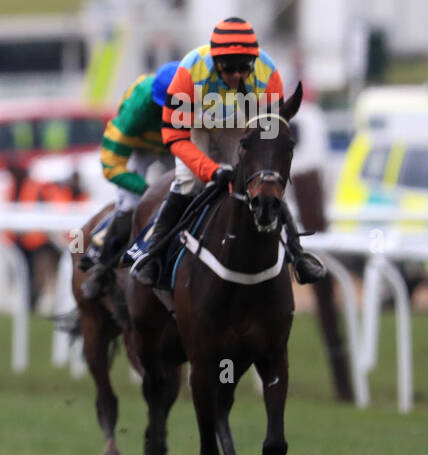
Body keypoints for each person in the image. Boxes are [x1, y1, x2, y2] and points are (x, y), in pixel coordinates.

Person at [131, 17, 326, 286]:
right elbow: (174, 135)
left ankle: (298, 255)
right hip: (197, 127)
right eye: (229, 68)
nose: (237, 75)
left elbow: (270, 134)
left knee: (263, 182)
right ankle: (153, 254)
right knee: (188, 182)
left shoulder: (268, 74)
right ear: (215, 62)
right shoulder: (189, 70)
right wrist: (210, 171)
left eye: (244, 68)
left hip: (240, 126)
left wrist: (259, 166)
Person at [78, 61, 178, 300]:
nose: (171, 113)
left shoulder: (201, 95)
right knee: (131, 206)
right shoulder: (138, 104)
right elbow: (111, 164)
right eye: (165, 107)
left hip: (176, 145)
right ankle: (102, 268)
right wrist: (147, 191)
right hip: (138, 149)